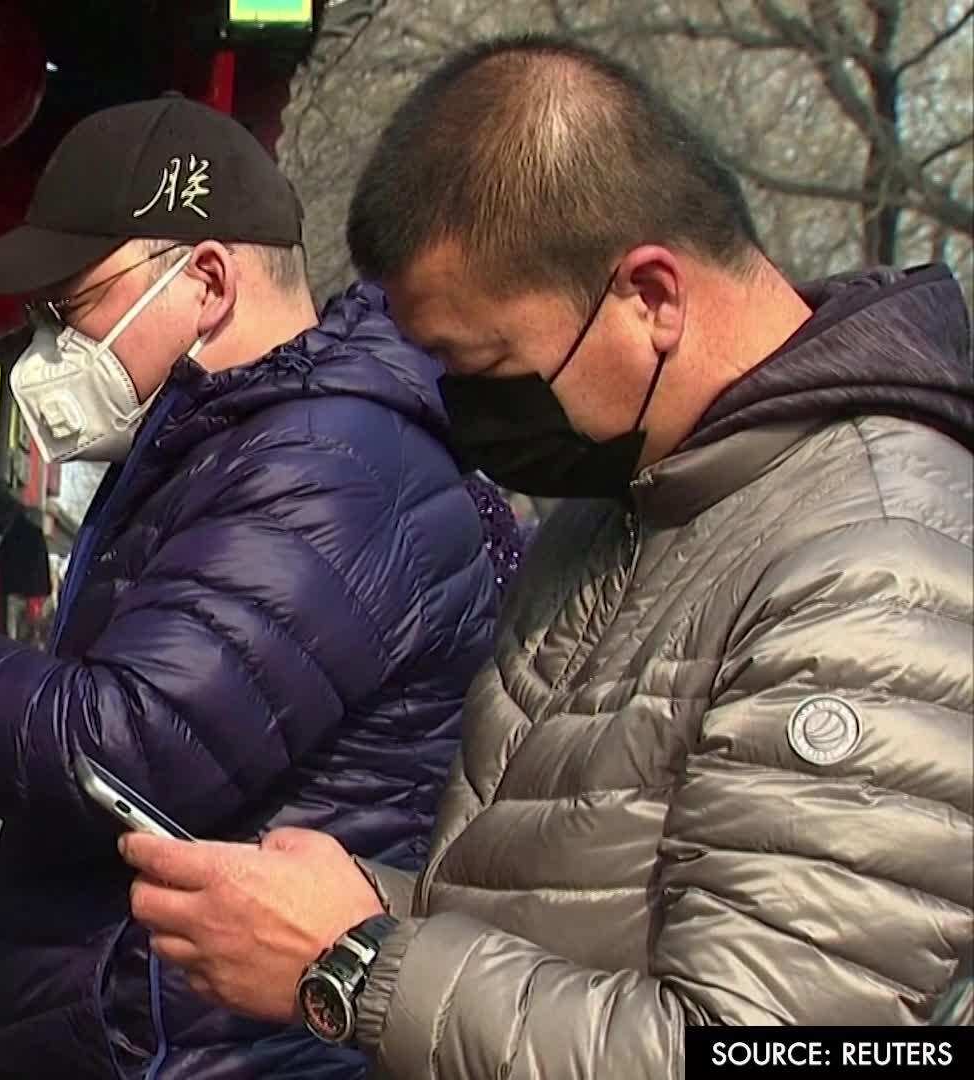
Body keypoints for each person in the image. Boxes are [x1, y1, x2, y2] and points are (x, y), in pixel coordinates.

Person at [117, 35, 974, 1076]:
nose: (467, 414)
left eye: (489, 366)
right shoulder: (626, 505)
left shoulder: (874, 571)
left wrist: (348, 965)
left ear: (651, 296)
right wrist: (338, 908)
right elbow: (564, 920)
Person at [0, 95, 520, 1077]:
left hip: (206, 1051)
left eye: (72, 311)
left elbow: (121, 747)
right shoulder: (229, 451)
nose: (49, 354)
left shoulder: (328, 468)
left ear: (206, 278)